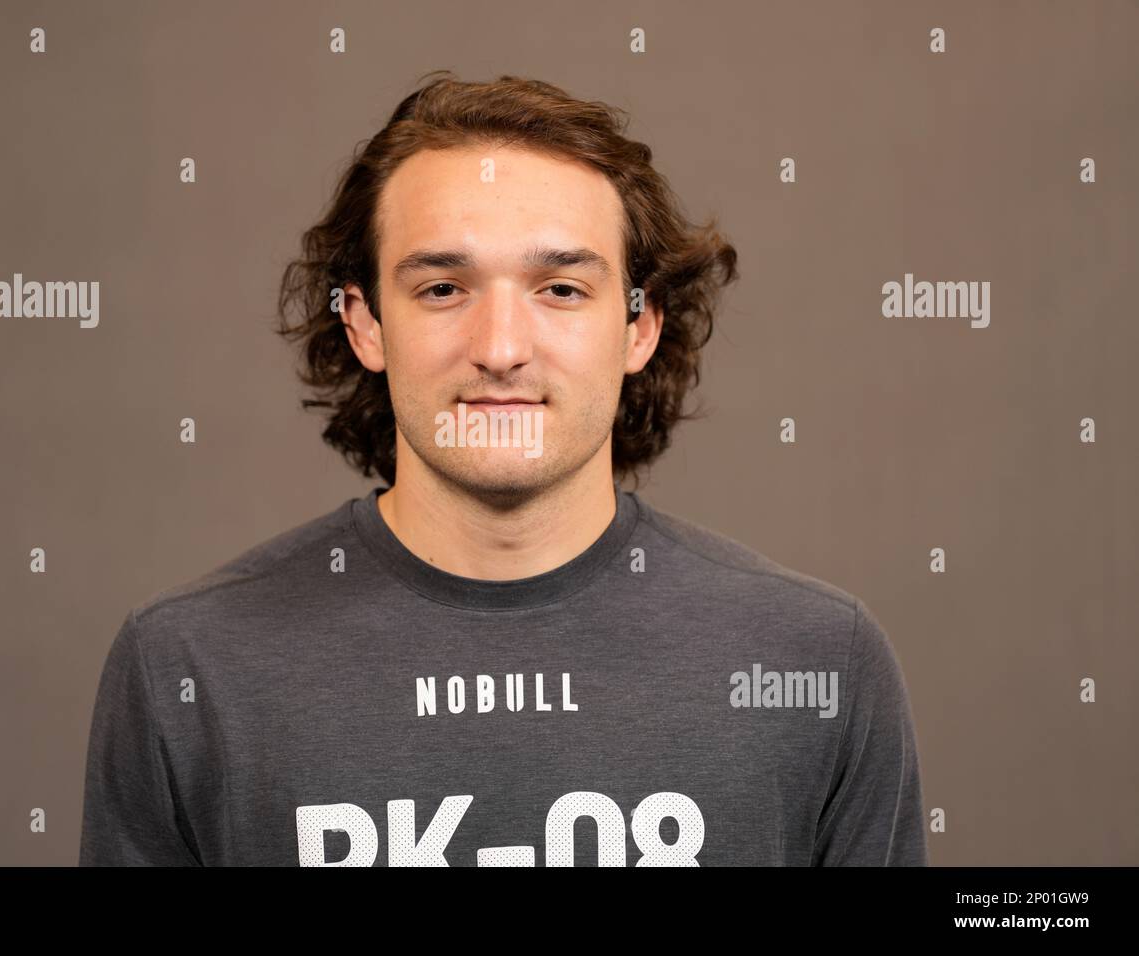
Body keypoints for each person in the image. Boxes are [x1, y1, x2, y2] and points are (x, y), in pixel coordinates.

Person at [79, 71, 927, 866]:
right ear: (366, 323)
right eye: (443, 288)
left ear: (640, 327)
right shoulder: (188, 665)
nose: (500, 350)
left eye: (560, 289)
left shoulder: (820, 662)